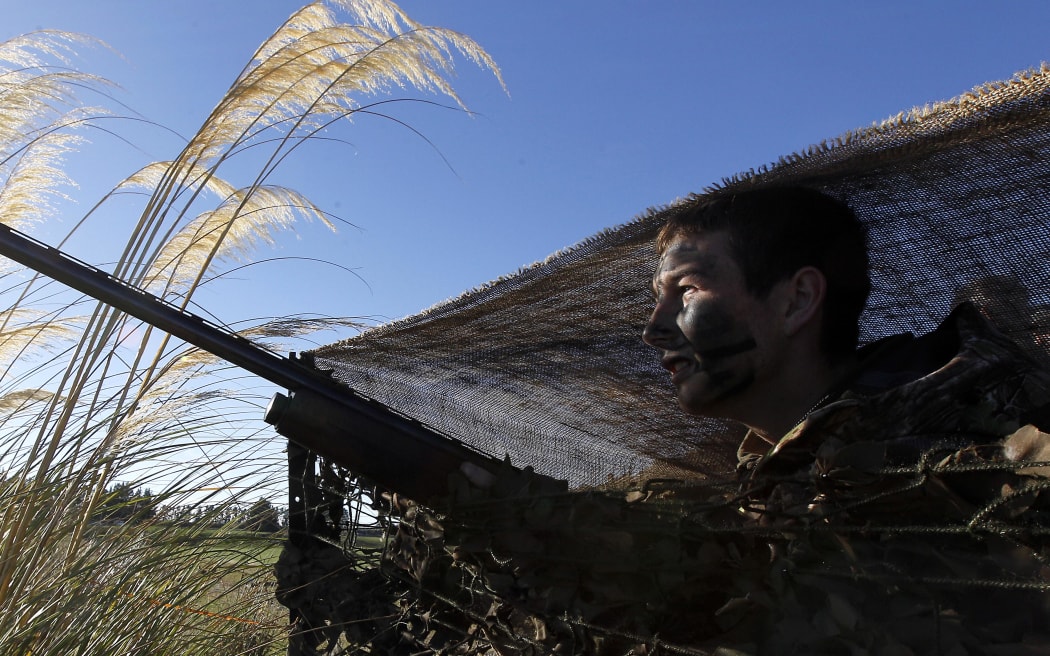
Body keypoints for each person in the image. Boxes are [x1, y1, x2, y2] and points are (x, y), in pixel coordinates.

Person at [642, 186, 1050, 652]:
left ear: (796, 301)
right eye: (658, 297)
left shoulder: (977, 451)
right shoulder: (778, 478)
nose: (653, 329)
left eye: (688, 289)